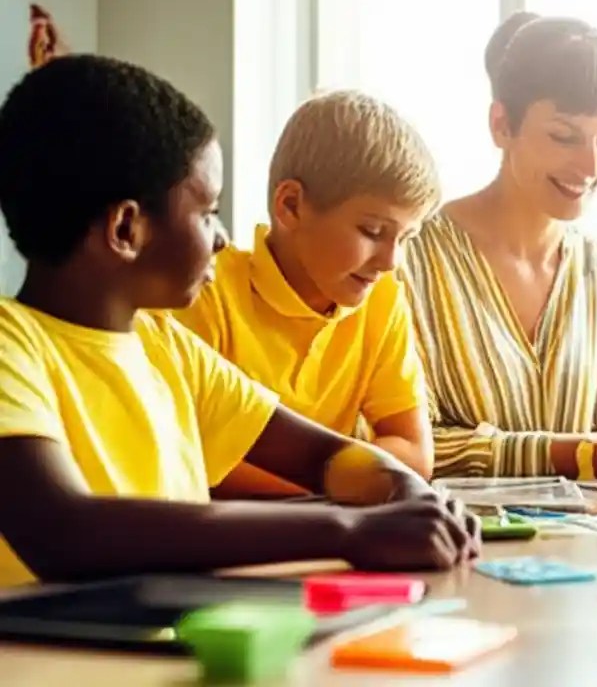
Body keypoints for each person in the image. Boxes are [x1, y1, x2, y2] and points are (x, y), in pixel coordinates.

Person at [0, 55, 478, 587]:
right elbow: (63, 531)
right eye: (207, 213)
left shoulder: (170, 350)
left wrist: (402, 492)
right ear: (126, 228)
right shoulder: (11, 347)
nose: (223, 237)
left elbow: (329, 456)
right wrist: (344, 527)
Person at [399, 12, 597, 479]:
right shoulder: (411, 259)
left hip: (586, 548)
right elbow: (404, 448)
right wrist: (563, 453)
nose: (590, 165)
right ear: (501, 124)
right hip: (454, 545)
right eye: (564, 137)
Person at [175, 90, 435, 499]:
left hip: (331, 527)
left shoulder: (381, 300)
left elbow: (416, 454)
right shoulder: (206, 292)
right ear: (291, 205)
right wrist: (342, 480)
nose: (391, 261)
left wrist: (328, 485)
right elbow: (195, 461)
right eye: (372, 232)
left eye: (406, 237)